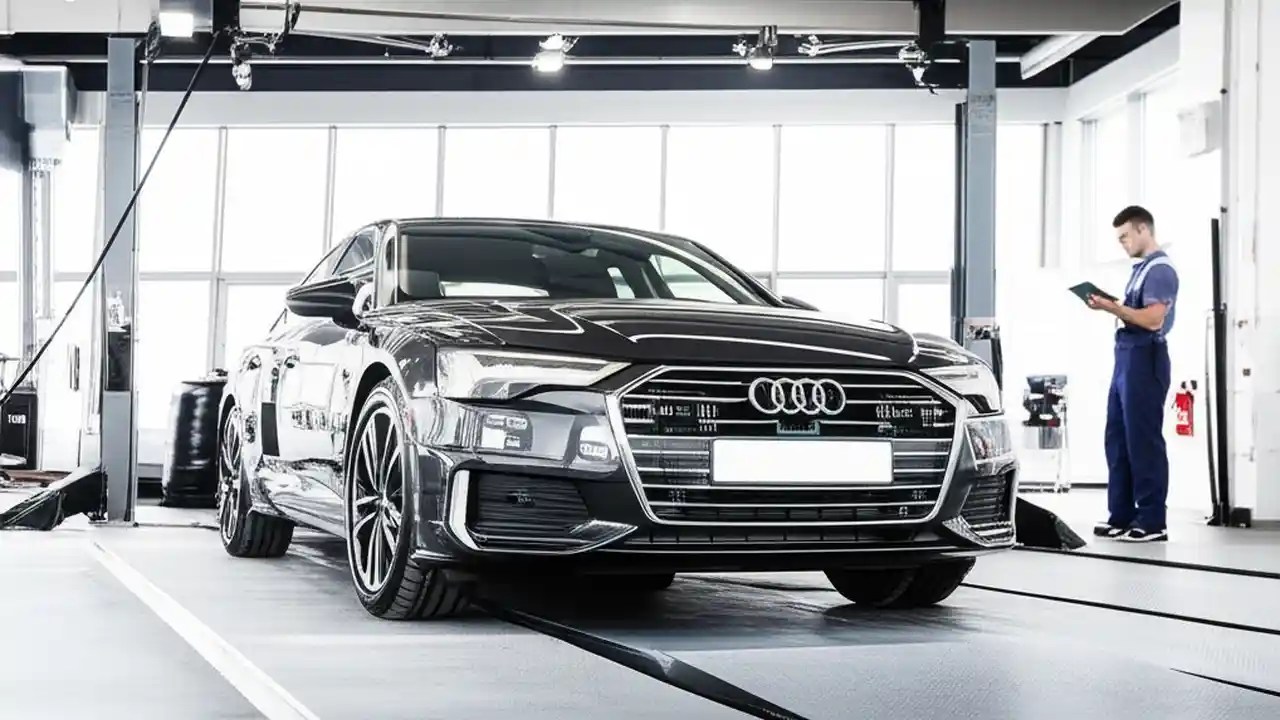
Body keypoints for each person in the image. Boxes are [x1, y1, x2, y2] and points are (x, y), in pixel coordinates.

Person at [1086, 205, 1178, 542]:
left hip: (1145, 357)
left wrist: (1112, 307)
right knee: (1118, 437)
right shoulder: (1140, 270)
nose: (1122, 243)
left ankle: (1152, 521)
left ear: (1143, 230)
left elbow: (1153, 319)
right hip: (1126, 358)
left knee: (1143, 440)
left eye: (1125, 236)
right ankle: (1122, 515)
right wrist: (1113, 306)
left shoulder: (1161, 270)